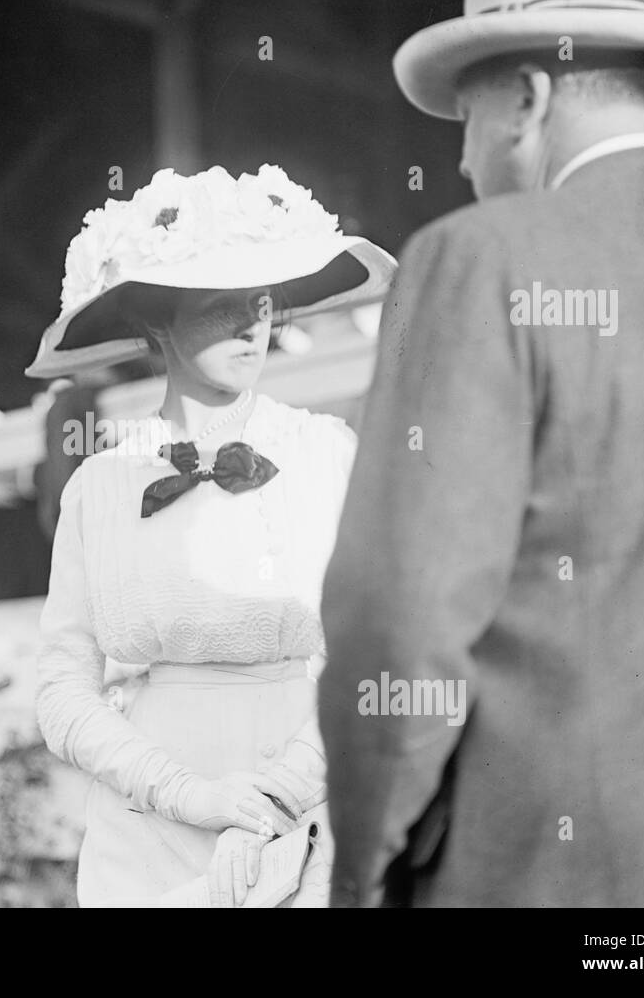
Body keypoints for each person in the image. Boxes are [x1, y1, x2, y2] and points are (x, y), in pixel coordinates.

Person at [319, 0, 644, 907]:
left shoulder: (477, 257)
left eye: (466, 118)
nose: (461, 161)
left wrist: (361, 871)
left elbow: (400, 619)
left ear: (528, 98)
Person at [30, 165, 396, 906]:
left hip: (303, 807)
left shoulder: (327, 454)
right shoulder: (99, 486)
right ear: (155, 320)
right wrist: (189, 794)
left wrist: (272, 800)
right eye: (219, 302)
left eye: (261, 301)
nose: (250, 323)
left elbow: (372, 654)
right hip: (147, 827)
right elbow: (63, 685)